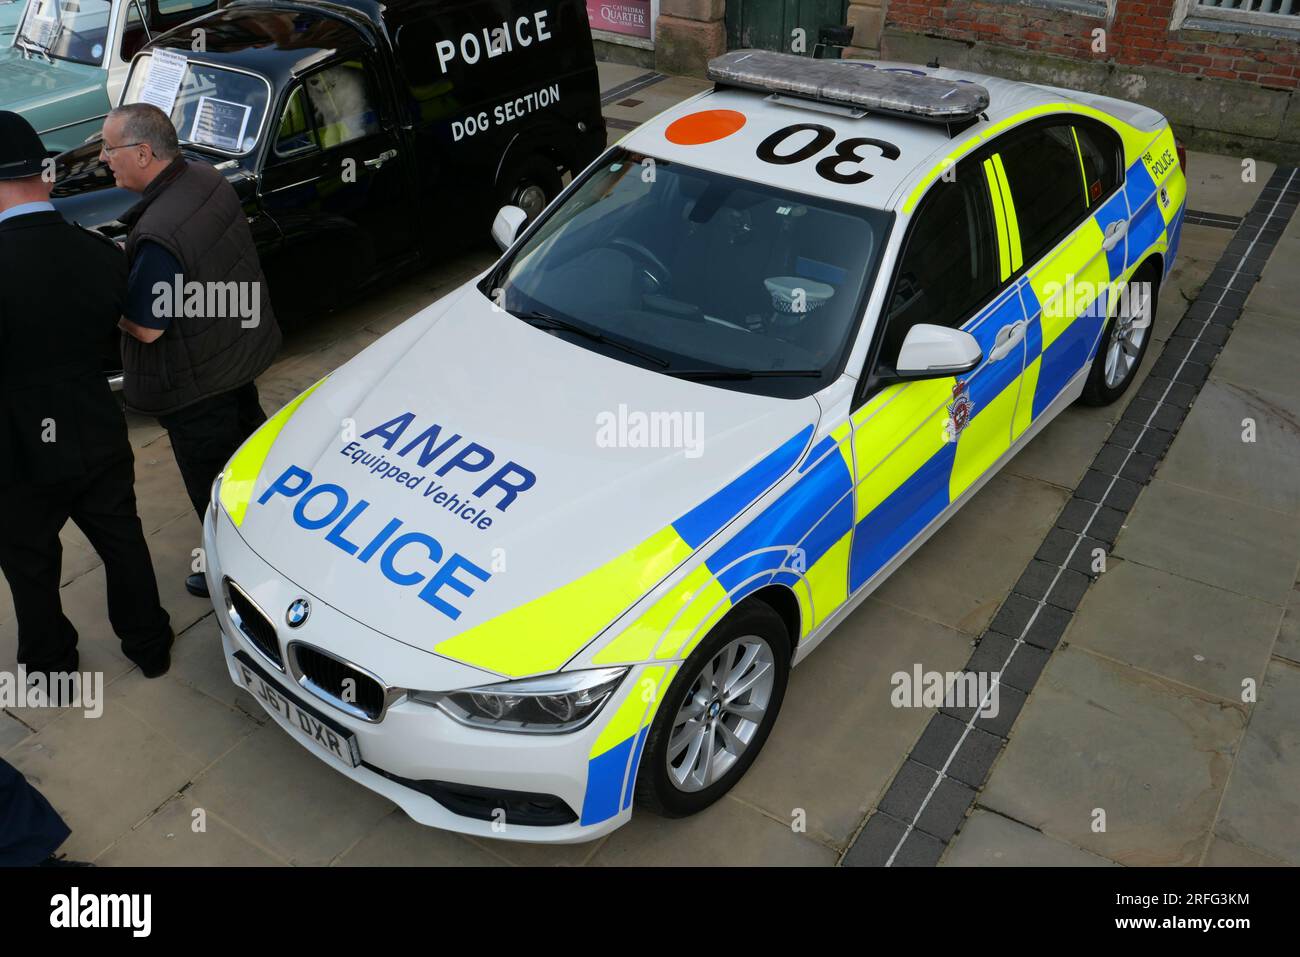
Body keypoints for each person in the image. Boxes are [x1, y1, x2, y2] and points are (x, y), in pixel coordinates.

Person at [0, 110, 174, 680]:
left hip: (16, 450)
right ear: (45, 177)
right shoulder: (99, 253)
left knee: (30, 564)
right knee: (123, 540)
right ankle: (148, 644)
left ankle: (51, 666)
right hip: (94, 426)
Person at [102, 103, 282, 599]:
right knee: (251, 464)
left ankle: (235, 571)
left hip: (195, 387)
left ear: (143, 152)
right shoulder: (205, 179)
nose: (103, 158)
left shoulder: (159, 232)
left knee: (214, 488)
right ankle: (279, 539)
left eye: (110, 148)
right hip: (235, 357)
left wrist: (106, 298)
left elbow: (146, 328)